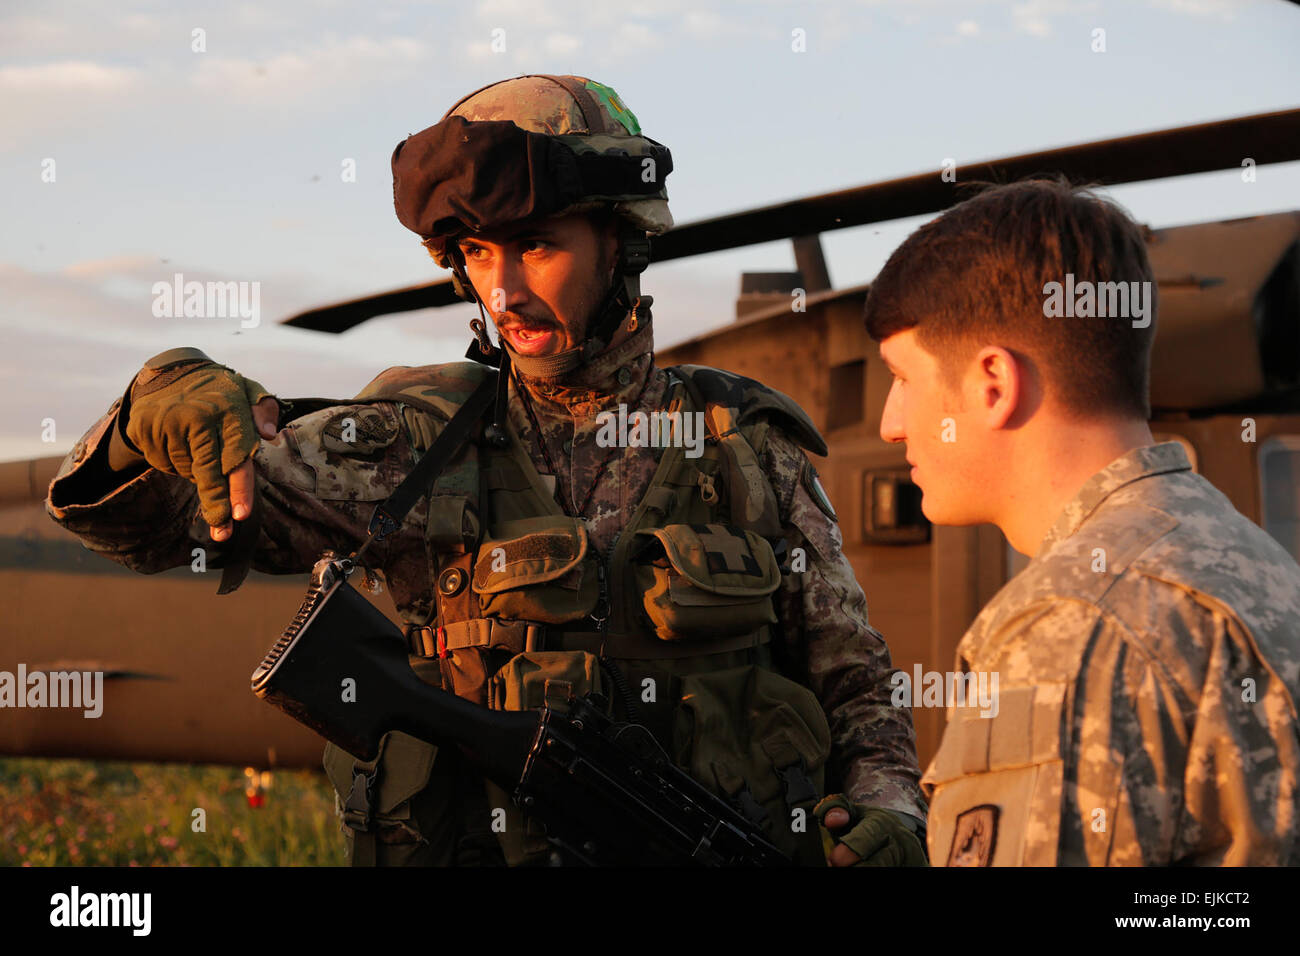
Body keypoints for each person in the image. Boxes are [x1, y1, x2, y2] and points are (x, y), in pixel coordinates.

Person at [46, 74, 928, 866]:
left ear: (621, 242)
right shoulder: (412, 443)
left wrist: (891, 807)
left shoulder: (748, 446)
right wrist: (143, 417)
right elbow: (157, 530)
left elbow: (852, 683)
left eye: (534, 245)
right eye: (475, 253)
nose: (501, 290)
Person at [863, 177, 1300, 866]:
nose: (890, 424)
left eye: (902, 378)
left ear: (993, 386)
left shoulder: (1070, 625)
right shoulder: (1251, 560)